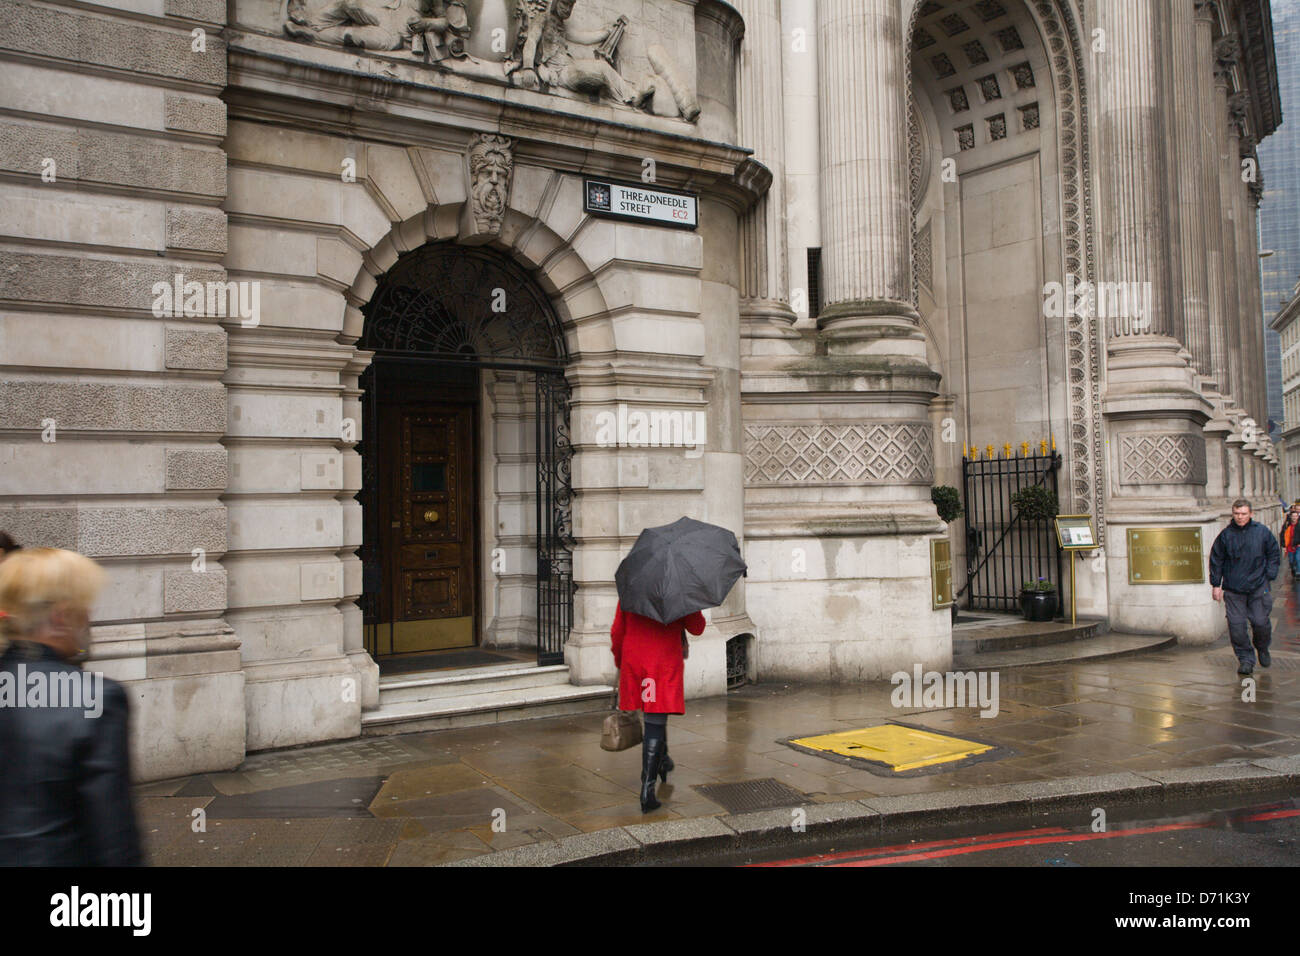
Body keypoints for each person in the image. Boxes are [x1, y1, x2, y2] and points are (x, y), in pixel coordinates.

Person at [0, 548, 143, 865]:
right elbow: (114, 839)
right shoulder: (96, 699)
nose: (89, 618)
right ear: (61, 616)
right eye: (84, 607)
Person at [610, 602, 705, 813]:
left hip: (634, 659)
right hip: (662, 661)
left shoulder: (632, 591)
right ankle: (647, 789)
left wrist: (620, 660)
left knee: (655, 716)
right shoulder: (680, 595)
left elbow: (617, 632)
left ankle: (662, 759)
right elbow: (697, 627)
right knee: (655, 718)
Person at [1209, 499, 1279, 676]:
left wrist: (1270, 574)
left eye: (1243, 514)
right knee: (1237, 627)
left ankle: (1262, 647)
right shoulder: (1225, 536)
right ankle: (1246, 659)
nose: (1240, 517)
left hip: (1258, 587)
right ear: (1233, 514)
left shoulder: (1262, 532)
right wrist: (1216, 584)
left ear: (1251, 514)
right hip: (1234, 589)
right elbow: (1216, 560)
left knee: (1260, 623)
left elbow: (1273, 553)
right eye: (1236, 514)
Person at [1281, 511, 1300, 580]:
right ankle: (1293, 569)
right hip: (1289, 546)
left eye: (1296, 516)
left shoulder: (1299, 525)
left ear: (1298, 517)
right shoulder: (1287, 525)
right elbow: (1282, 534)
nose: (1294, 518)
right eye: (1293, 516)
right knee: (1291, 560)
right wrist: (1283, 544)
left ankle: (1298, 573)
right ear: (1291, 517)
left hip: (1298, 545)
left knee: (1298, 558)